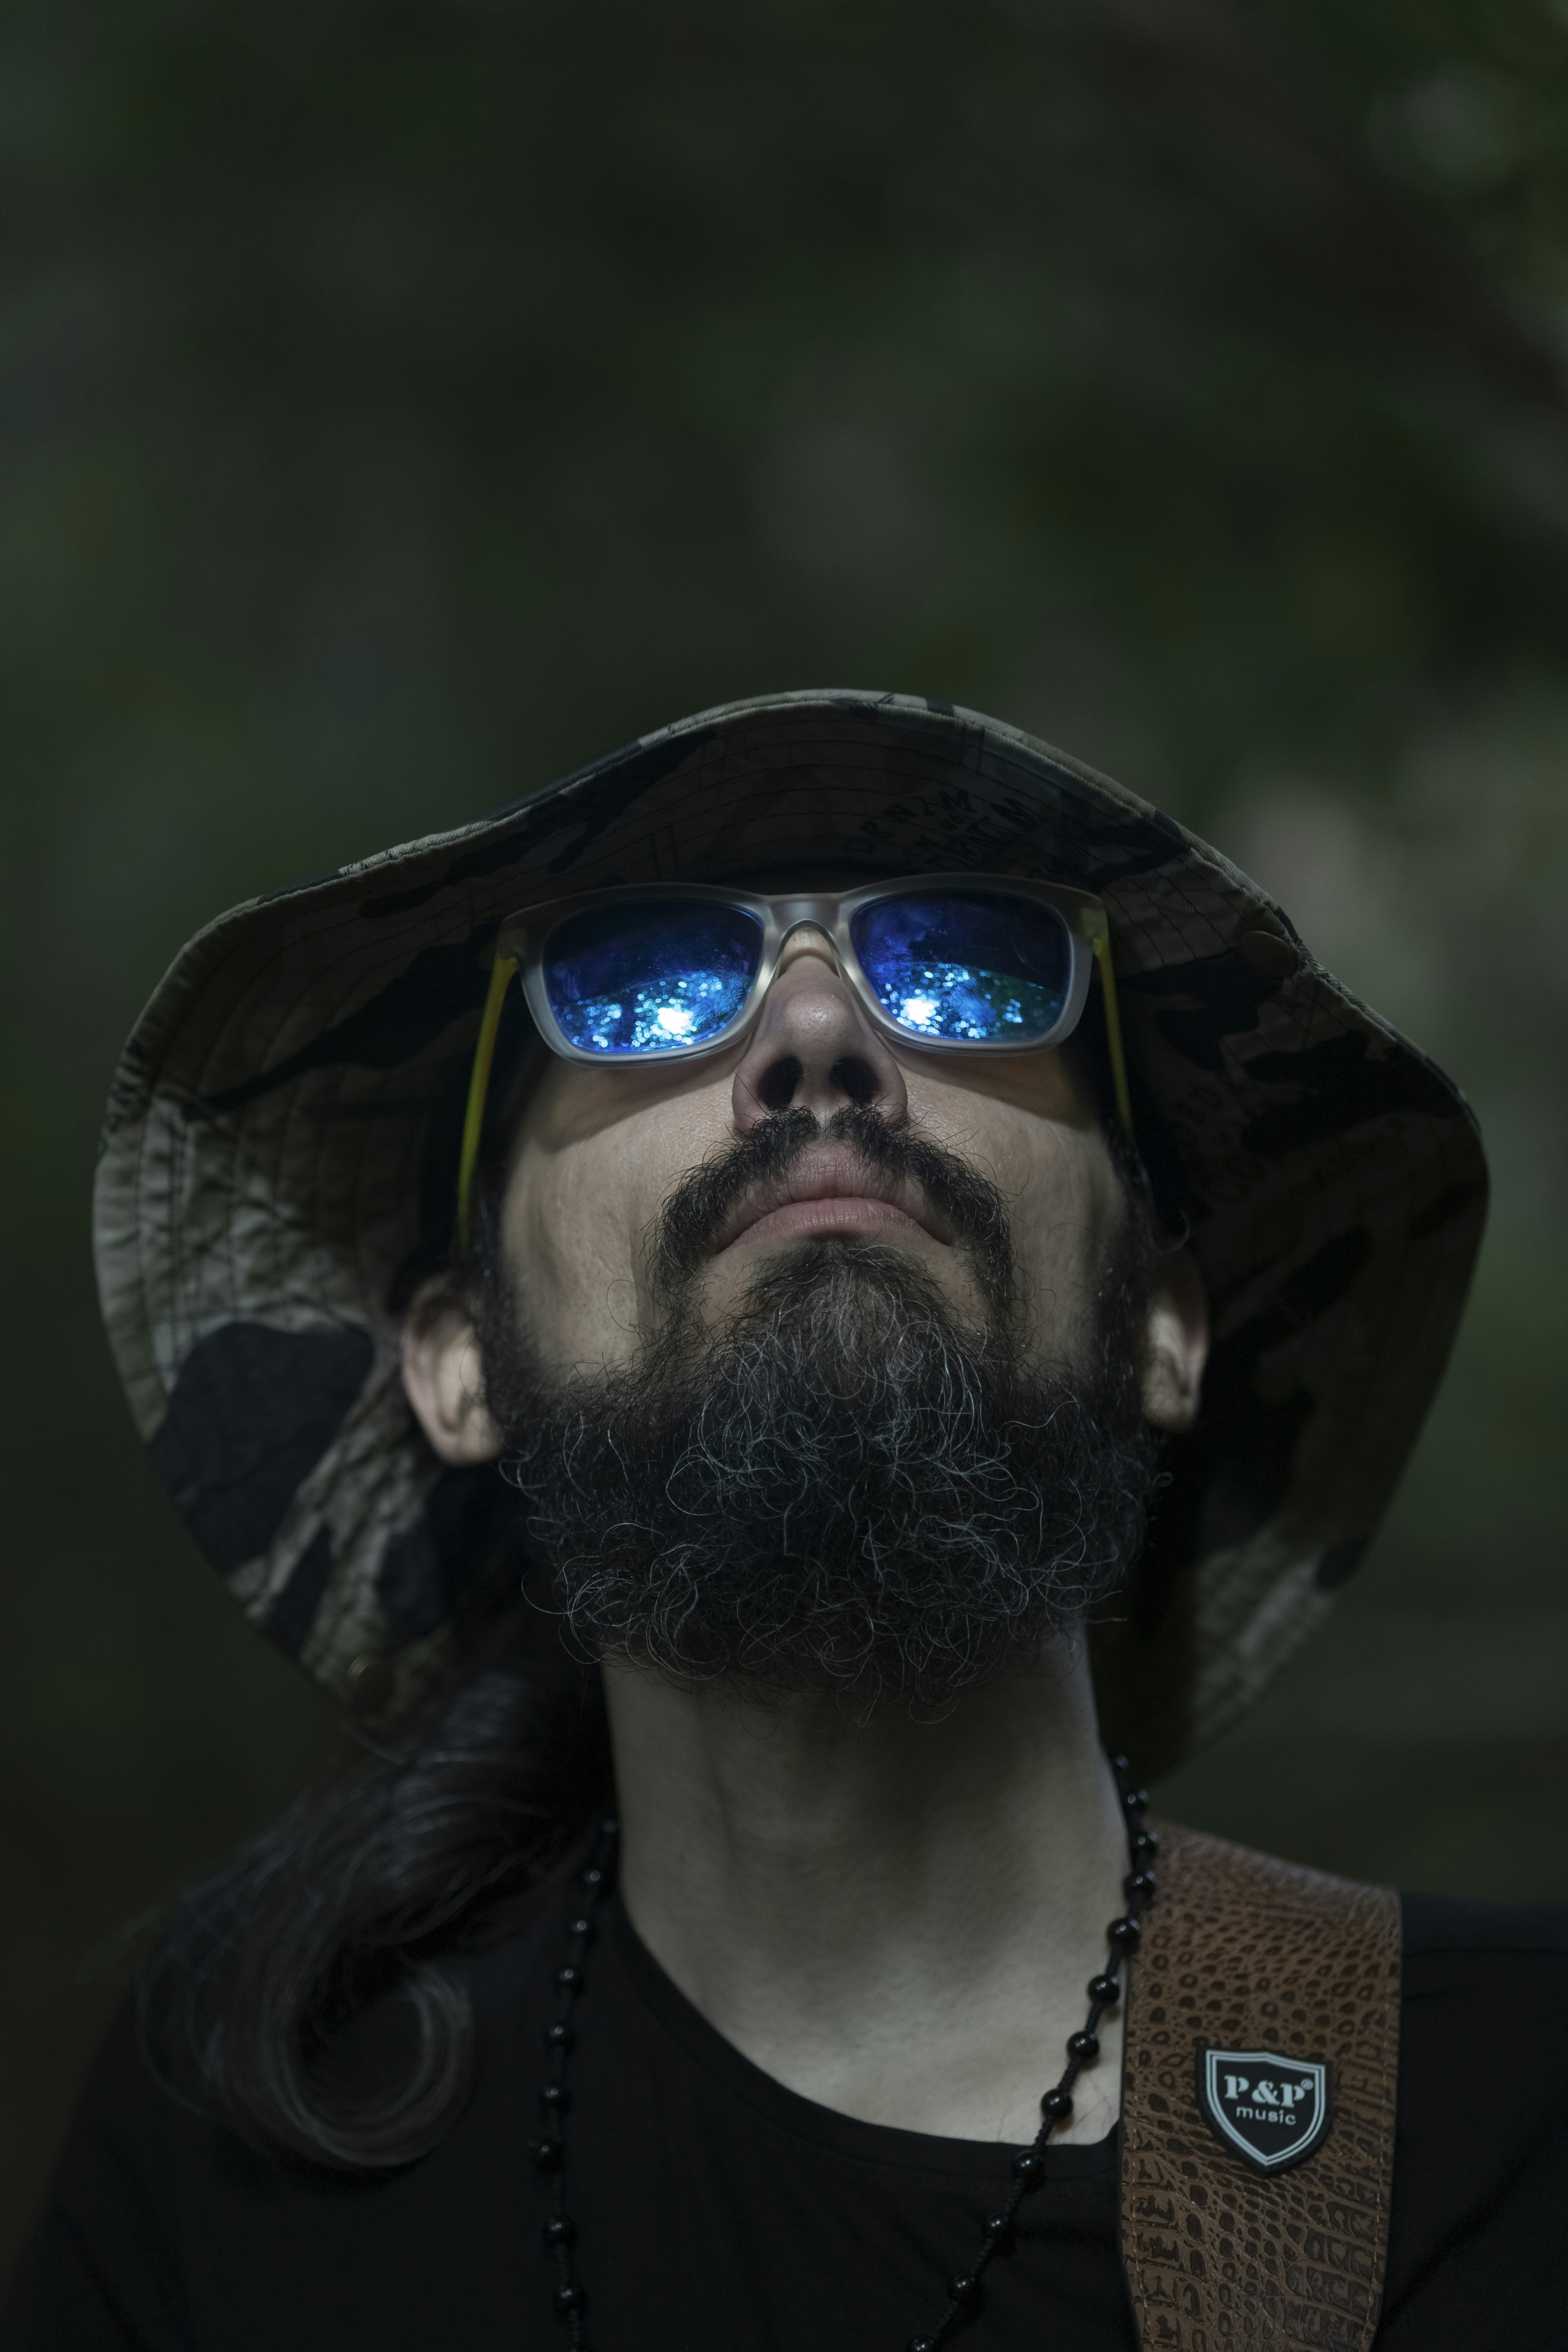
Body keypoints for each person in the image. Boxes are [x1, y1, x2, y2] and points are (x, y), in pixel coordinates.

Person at [5, 691, 1564, 2351]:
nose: (816, 1032)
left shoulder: (1510, 2131)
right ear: (463, 1366)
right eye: (640, 983)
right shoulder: (247, 2164)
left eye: (964, 966)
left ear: (1156, 1330)